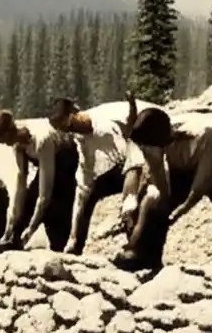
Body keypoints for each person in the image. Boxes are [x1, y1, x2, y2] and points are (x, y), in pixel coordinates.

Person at [114, 98, 212, 279]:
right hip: (184, 164)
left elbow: (202, 184)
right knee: (151, 204)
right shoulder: (154, 140)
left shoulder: (206, 134)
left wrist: (180, 211)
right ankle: (144, 255)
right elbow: (159, 191)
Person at [47, 96, 159, 255]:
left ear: (73, 114)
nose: (64, 130)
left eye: (65, 124)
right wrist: (73, 234)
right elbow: (85, 177)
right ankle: (75, 246)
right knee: (88, 195)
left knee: (134, 199)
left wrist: (131, 196)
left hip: (149, 133)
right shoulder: (79, 135)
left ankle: (137, 247)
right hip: (128, 153)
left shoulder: (104, 128)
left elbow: (133, 160)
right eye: (59, 128)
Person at [0, 110, 78, 252]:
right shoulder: (16, 143)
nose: (2, 144)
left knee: (54, 210)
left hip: (65, 160)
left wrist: (32, 228)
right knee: (27, 205)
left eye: (2, 140)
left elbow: (44, 195)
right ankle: (13, 242)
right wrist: (13, 220)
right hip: (44, 161)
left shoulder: (41, 138)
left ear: (8, 133)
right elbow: (21, 180)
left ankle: (60, 248)